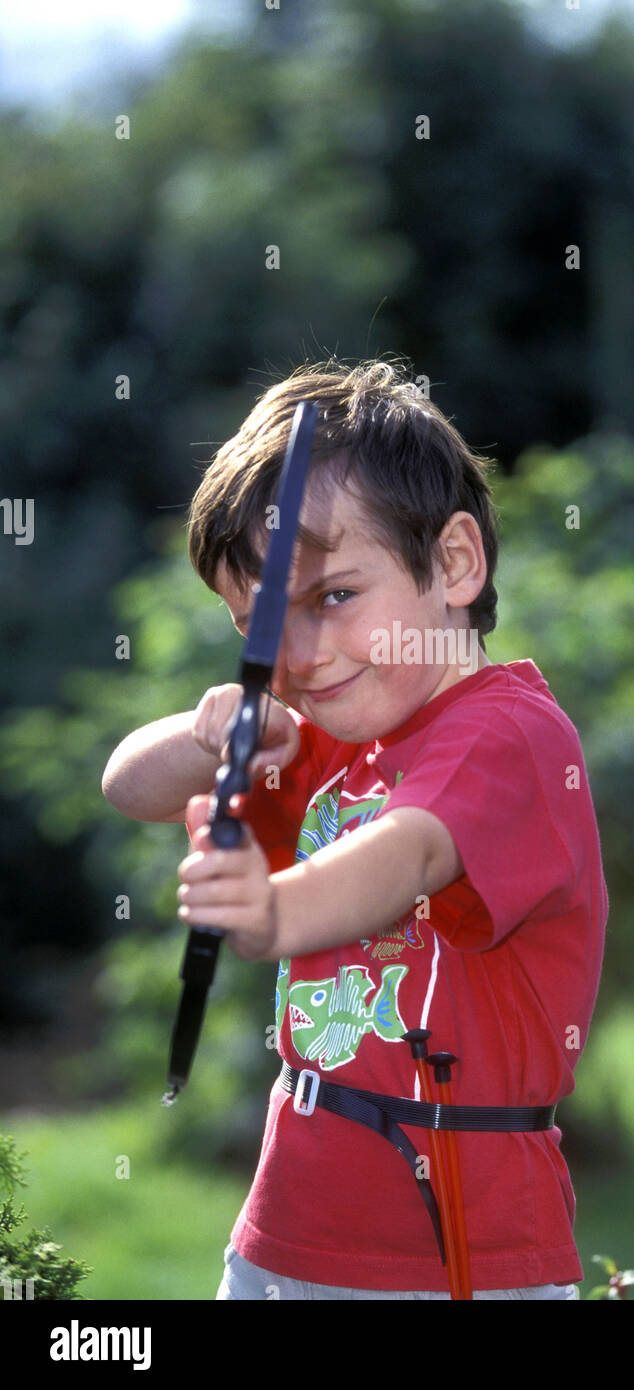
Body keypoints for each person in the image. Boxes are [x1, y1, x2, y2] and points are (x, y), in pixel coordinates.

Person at [102, 357, 608, 1300]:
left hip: (454, 1254)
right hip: (282, 1235)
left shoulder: (509, 734)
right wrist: (216, 729)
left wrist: (272, 910)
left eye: (334, 597)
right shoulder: (334, 736)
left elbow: (409, 850)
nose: (299, 655)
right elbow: (127, 782)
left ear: (454, 563)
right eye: (260, 628)